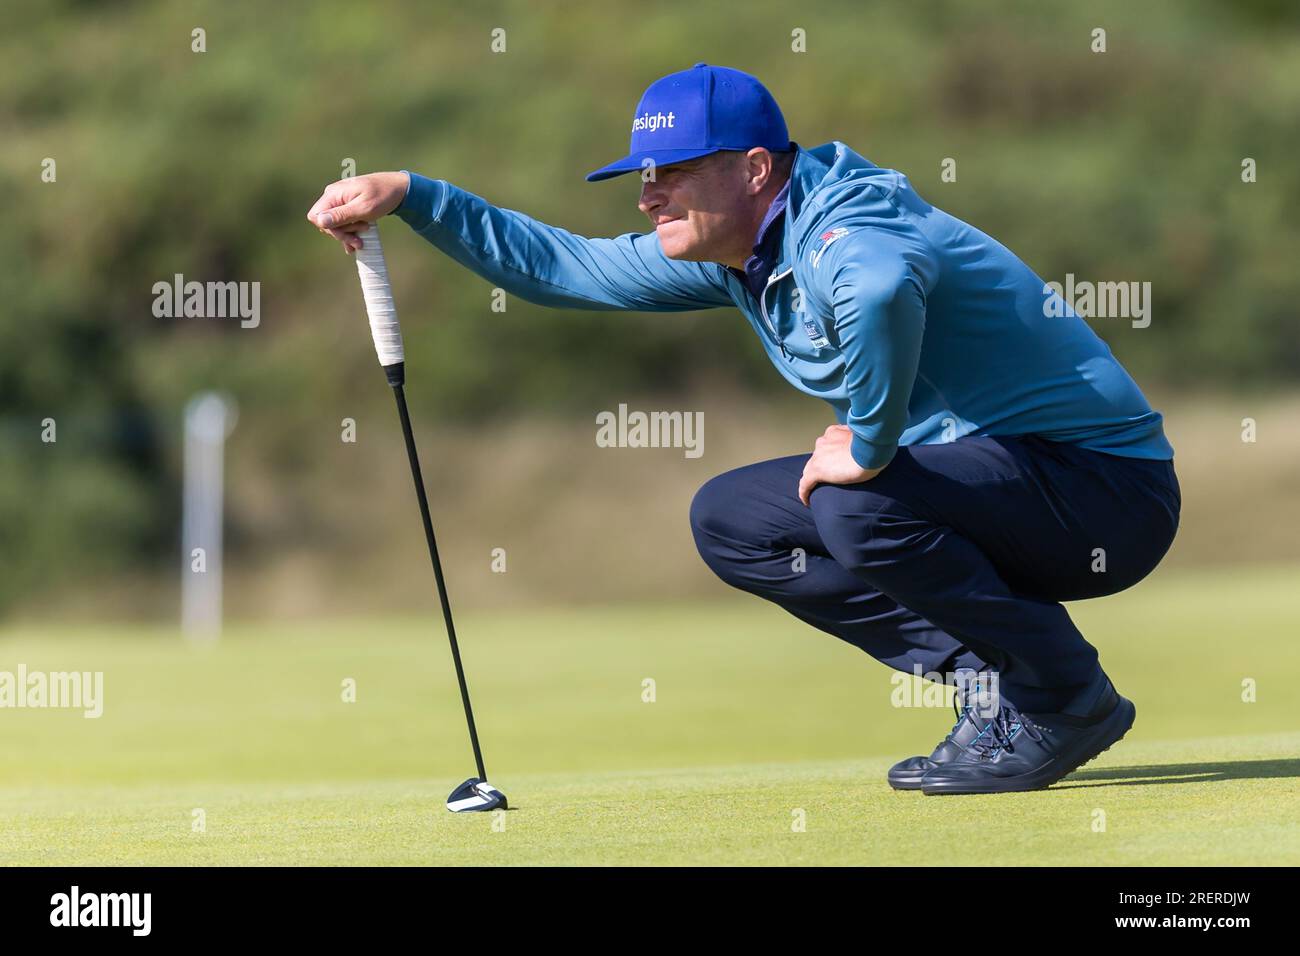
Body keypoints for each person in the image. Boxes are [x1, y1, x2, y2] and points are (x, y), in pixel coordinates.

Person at [307, 63, 1181, 795]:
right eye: (644, 175)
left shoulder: (848, 218)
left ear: (757, 170)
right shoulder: (743, 254)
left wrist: (870, 445)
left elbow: (880, 287)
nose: (650, 194)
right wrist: (415, 196)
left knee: (857, 505)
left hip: (1105, 491)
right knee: (736, 519)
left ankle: (1066, 696)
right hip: (1000, 488)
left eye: (674, 171)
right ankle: (1000, 688)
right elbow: (563, 268)